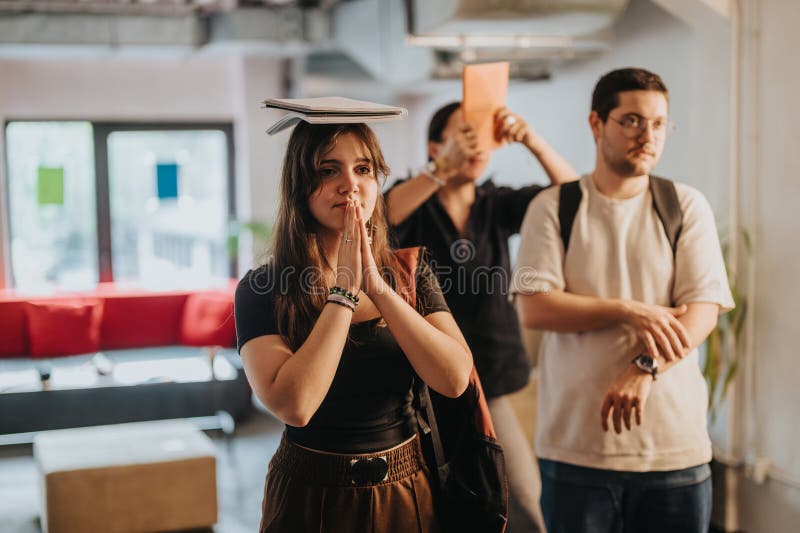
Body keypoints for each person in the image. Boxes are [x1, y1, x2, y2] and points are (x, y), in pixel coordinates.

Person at [511, 67, 735, 532]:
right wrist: (631, 309)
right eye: (631, 120)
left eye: (658, 123)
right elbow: (535, 306)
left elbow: (702, 312)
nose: (647, 135)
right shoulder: (552, 207)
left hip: (676, 456)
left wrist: (644, 368)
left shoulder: (685, 205)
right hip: (576, 451)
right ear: (597, 124)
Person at [234, 120, 473, 533]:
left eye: (363, 169)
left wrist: (378, 288)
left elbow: (454, 379)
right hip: (310, 493)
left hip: (406, 488)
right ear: (299, 184)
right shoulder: (262, 288)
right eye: (328, 171)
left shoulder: (411, 273)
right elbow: (295, 405)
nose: (350, 185)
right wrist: (343, 292)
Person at [385, 103, 577, 532]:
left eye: (481, 137)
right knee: (433, 503)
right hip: (419, 379)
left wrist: (532, 140)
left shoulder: (497, 202)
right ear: (435, 146)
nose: (475, 146)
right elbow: (378, 219)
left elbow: (575, 196)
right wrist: (438, 170)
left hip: (489, 374)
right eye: (462, 136)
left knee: (521, 500)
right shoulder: (413, 197)